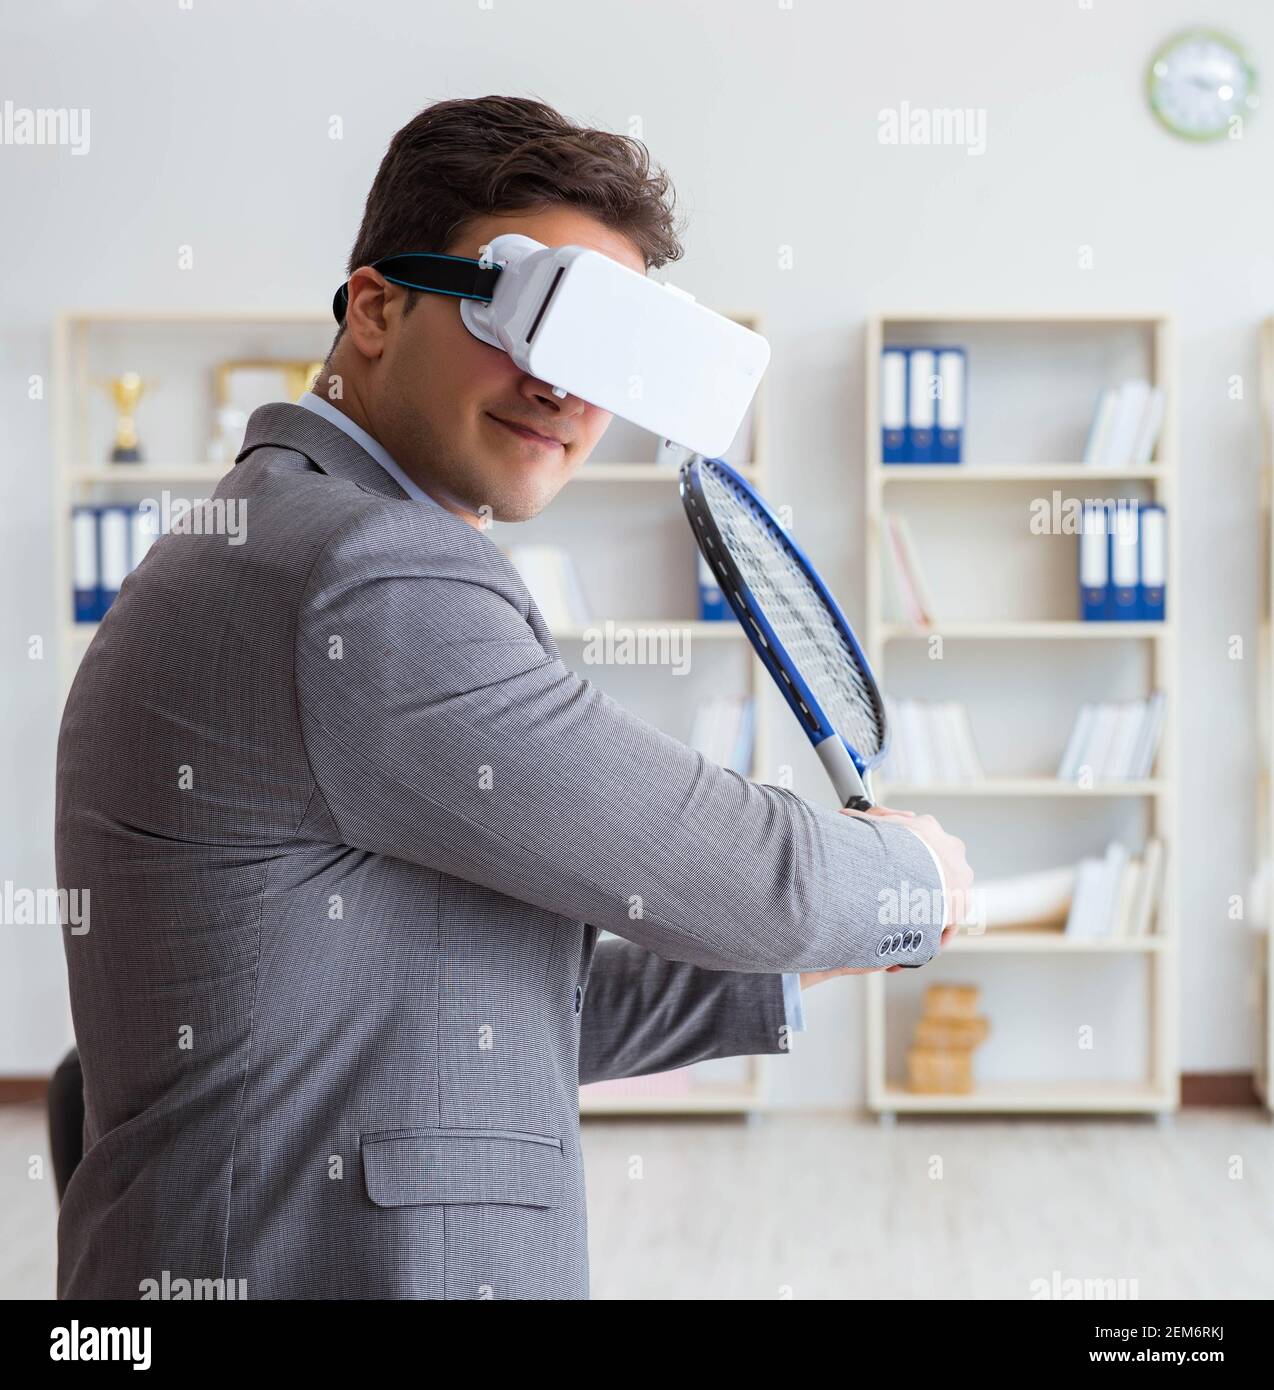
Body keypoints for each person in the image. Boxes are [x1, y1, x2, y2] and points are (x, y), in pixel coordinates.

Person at [54, 94, 972, 1300]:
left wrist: (799, 952)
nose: (564, 393)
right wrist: (914, 882)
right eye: (530, 321)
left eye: (607, 356)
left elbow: (488, 1003)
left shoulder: (270, 533)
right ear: (377, 306)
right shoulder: (365, 571)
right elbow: (747, 874)